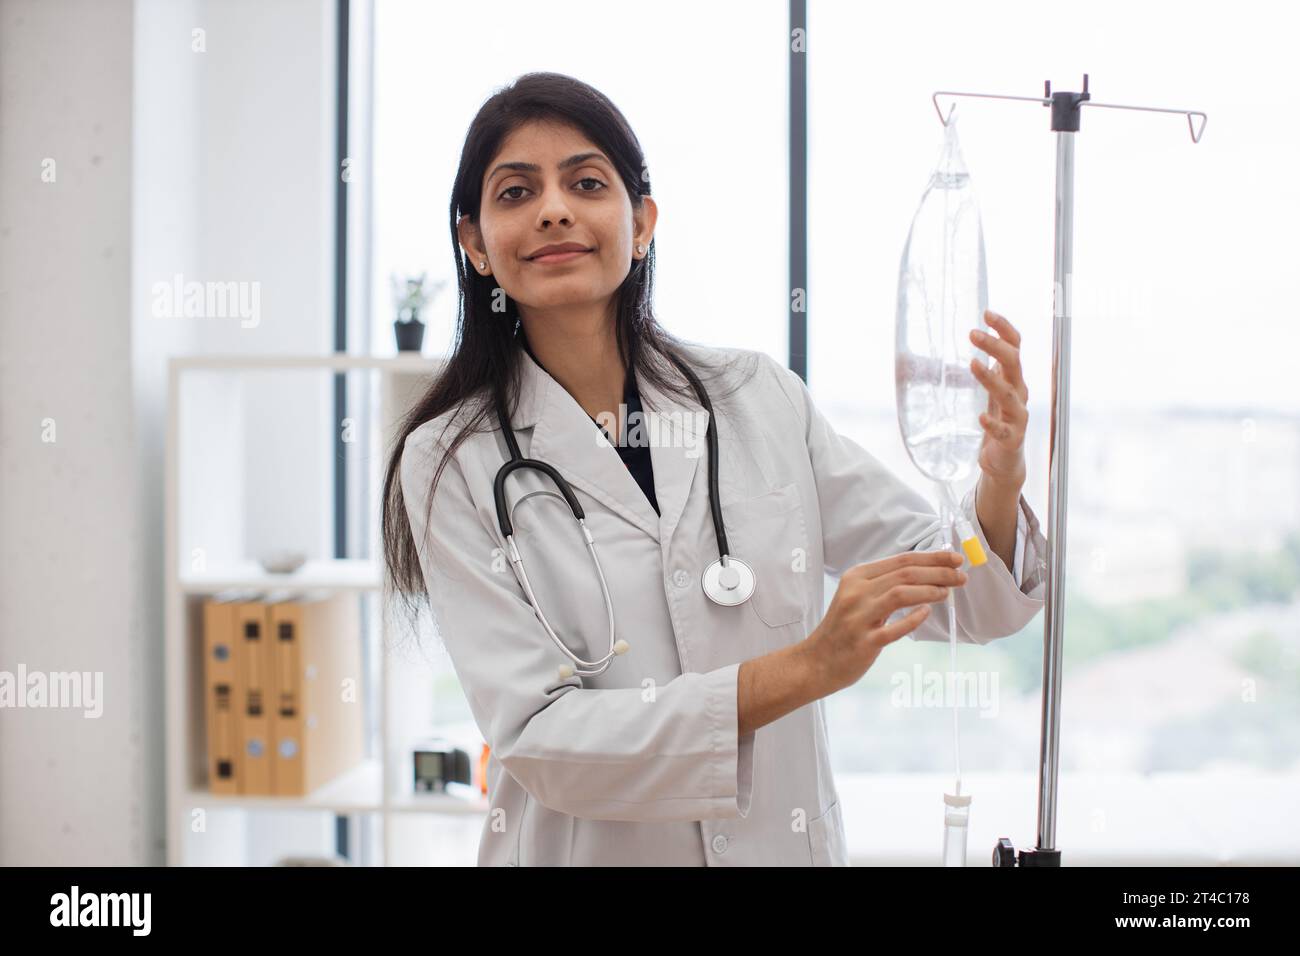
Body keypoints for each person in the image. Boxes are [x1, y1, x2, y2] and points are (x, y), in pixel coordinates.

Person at [381, 72, 1047, 866]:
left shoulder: (758, 397)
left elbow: (965, 600)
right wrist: (804, 667)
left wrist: (999, 479)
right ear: (476, 245)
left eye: (587, 183)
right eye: (516, 192)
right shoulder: (450, 458)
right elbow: (541, 738)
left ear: (641, 223)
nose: (554, 208)